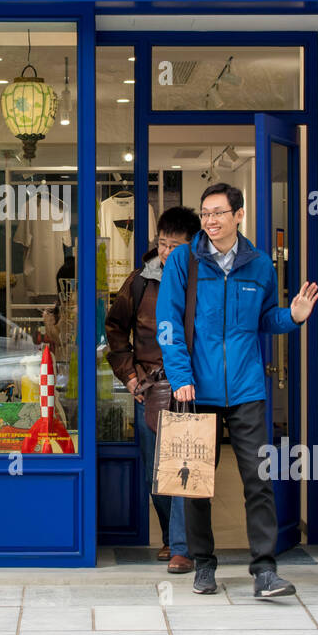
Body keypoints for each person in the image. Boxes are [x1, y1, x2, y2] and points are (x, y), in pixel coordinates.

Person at [156, 182, 318, 598]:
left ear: (238, 215)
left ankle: (265, 570)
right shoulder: (182, 262)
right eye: (205, 213)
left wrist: (294, 317)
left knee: (258, 481)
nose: (209, 220)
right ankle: (204, 564)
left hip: (247, 389)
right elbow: (169, 325)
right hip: (197, 390)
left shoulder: (261, 265)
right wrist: (181, 378)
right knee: (197, 484)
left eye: (218, 213)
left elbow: (265, 320)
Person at [105, 205, 202, 574]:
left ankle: (182, 545)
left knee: (187, 467)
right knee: (156, 474)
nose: (165, 252)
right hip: (150, 388)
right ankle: (169, 535)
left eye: (175, 246)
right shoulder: (141, 281)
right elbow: (114, 328)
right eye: (162, 244)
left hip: (192, 387)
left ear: (192, 247)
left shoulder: (203, 280)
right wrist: (129, 376)